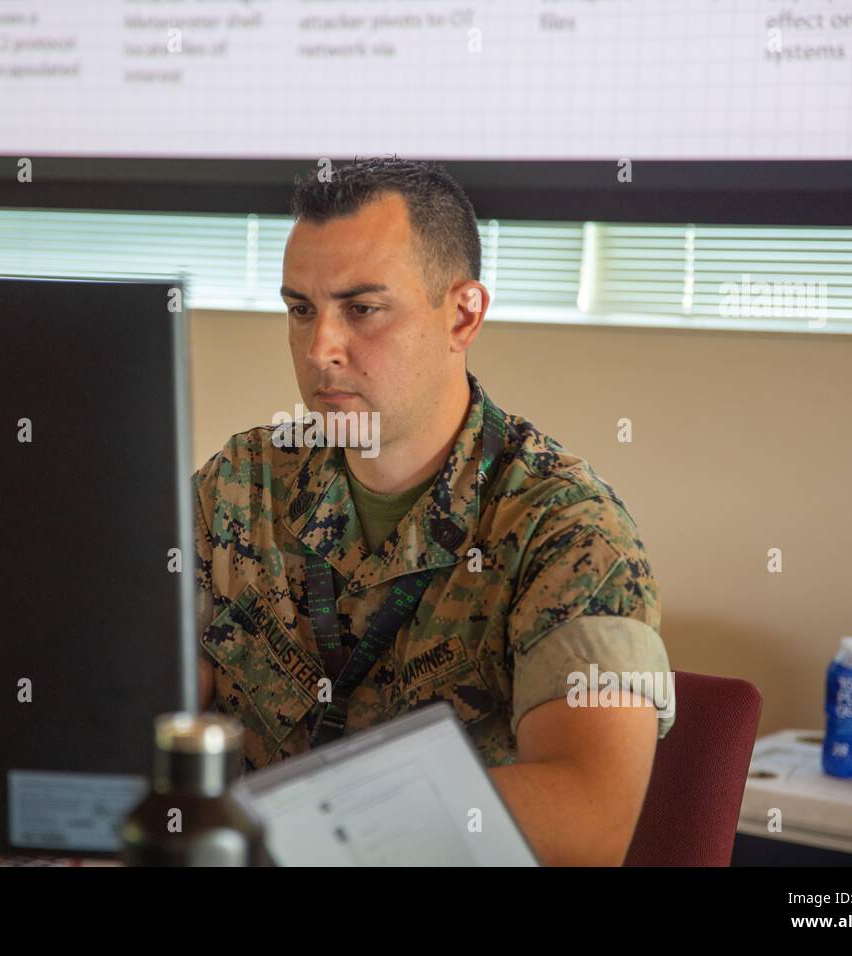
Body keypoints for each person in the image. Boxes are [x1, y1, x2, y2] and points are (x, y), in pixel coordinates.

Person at [194, 156, 674, 866]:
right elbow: (142, 710)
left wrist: (305, 828)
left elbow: (588, 817)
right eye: (301, 309)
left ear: (462, 314)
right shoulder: (242, 482)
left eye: (362, 309)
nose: (321, 348)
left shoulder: (564, 528)